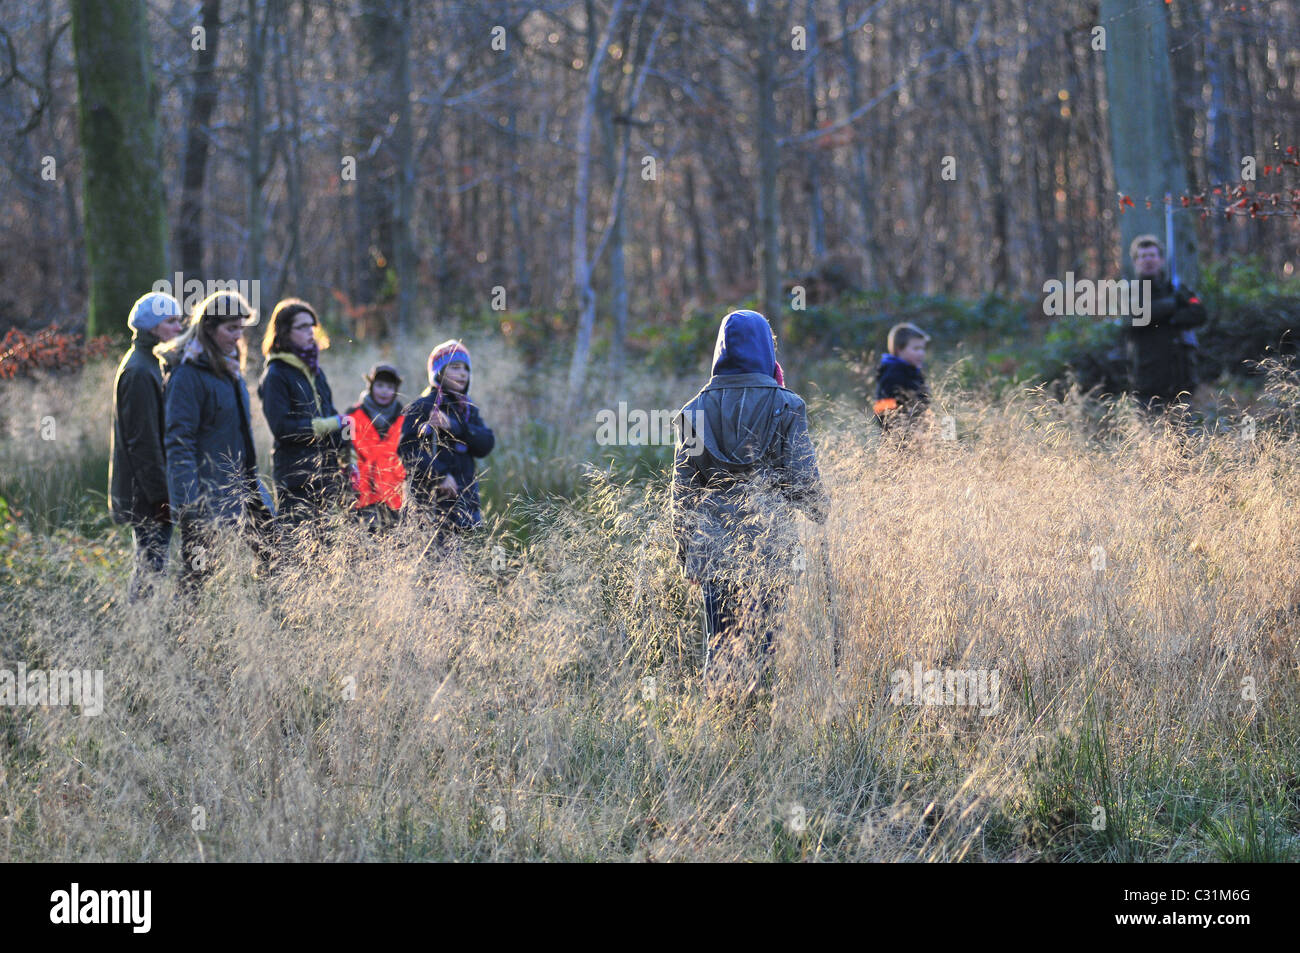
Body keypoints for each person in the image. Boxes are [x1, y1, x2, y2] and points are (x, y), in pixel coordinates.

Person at [670, 309, 829, 702]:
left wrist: (687, 555)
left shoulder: (691, 413)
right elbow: (804, 480)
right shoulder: (787, 405)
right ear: (765, 349)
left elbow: (683, 495)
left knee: (721, 646)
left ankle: (722, 724)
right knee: (768, 645)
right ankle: (762, 722)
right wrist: (819, 509)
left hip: (714, 552)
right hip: (771, 547)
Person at [159, 291, 274, 590]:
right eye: (230, 328)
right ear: (209, 328)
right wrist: (189, 505)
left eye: (241, 328)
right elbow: (179, 443)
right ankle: (183, 621)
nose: (238, 336)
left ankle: (267, 614)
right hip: (205, 497)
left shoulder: (229, 369)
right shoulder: (187, 375)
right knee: (197, 576)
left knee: (275, 554)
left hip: (245, 489)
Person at [109, 291, 185, 601]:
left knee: (152, 564)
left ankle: (144, 623)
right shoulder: (140, 370)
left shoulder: (152, 362)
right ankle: (140, 624)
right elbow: (143, 443)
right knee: (150, 567)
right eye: (171, 321)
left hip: (152, 490)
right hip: (147, 494)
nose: (179, 327)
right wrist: (160, 497)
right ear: (152, 327)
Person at [258, 298, 351, 528]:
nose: (310, 332)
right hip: (296, 478)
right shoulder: (276, 374)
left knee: (328, 545)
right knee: (296, 545)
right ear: (284, 332)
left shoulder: (315, 371)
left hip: (327, 476)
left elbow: (333, 417)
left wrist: (348, 456)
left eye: (312, 326)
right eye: (302, 327)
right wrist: (328, 424)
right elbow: (282, 429)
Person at [398, 341, 495, 537]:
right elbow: (408, 450)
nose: (463, 374)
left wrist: (454, 426)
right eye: (455, 367)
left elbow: (486, 444)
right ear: (439, 372)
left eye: (466, 369)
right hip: (430, 505)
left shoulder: (468, 409)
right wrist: (439, 475)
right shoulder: (423, 406)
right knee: (432, 554)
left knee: (462, 555)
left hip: (464, 505)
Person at [1126, 234, 1207, 411]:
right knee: (1149, 427)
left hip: (1180, 378)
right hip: (1147, 381)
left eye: (1152, 255)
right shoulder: (1130, 292)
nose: (1148, 260)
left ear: (1161, 260)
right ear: (1135, 262)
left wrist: (1173, 317)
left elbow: (1199, 312)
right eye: (1143, 256)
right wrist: (1172, 305)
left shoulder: (1176, 289)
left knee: (1184, 426)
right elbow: (1138, 315)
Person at [346, 363, 406, 529]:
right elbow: (343, 451)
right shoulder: (351, 415)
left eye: (390, 387)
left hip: (394, 499)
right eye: (380, 385)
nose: (384, 391)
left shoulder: (405, 418)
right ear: (371, 386)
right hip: (361, 498)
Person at [873, 322, 931, 431]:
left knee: (949, 422)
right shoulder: (892, 375)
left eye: (923, 348)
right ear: (899, 349)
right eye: (916, 348)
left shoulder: (914, 372)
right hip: (901, 435)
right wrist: (903, 430)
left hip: (920, 431)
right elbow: (882, 411)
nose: (921, 353)